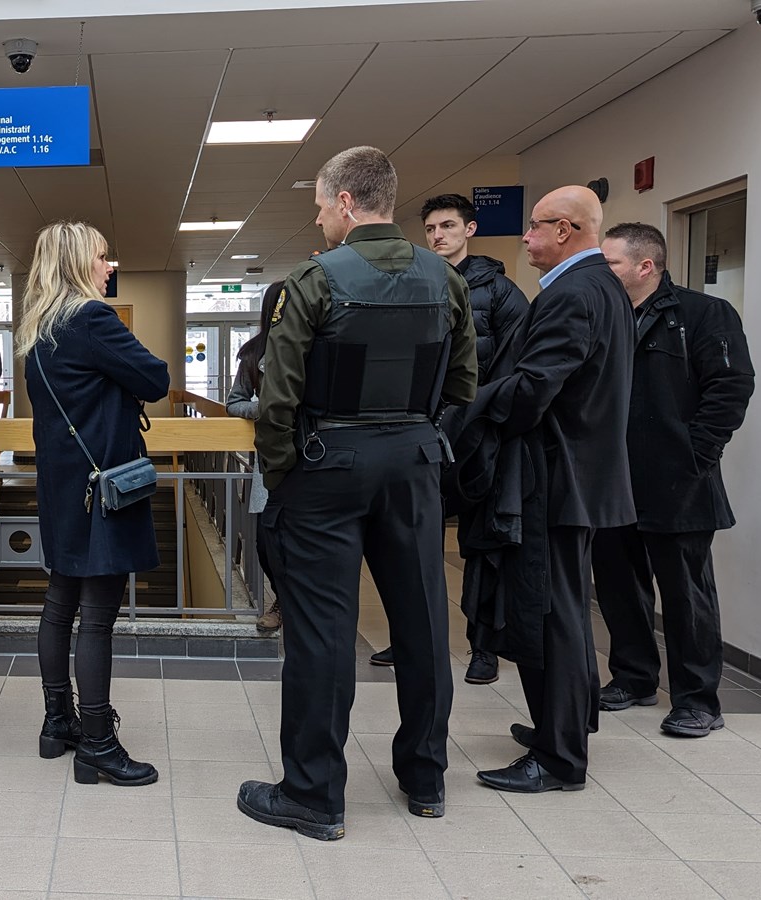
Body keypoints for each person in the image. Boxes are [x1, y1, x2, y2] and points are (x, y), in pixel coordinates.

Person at [239, 146, 477, 840]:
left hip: (328, 465)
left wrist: (285, 477)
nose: (317, 220)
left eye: (318, 206)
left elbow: (277, 401)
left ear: (346, 202)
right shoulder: (445, 279)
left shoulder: (313, 281)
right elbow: (462, 385)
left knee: (321, 634)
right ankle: (426, 778)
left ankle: (315, 795)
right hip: (413, 463)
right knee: (425, 623)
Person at [462, 186, 635, 793]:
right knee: (566, 609)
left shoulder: (573, 293)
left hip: (554, 478)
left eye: (534, 227)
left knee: (551, 613)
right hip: (581, 477)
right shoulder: (601, 288)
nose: (526, 238)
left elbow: (535, 389)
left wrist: (470, 408)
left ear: (565, 230)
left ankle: (559, 758)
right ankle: (565, 726)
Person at [21, 221, 170, 787]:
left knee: (60, 604)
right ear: (79, 263)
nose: (111, 266)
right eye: (103, 257)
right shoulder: (93, 319)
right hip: (103, 488)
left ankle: (57, 722)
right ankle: (98, 743)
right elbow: (156, 378)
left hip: (61, 486)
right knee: (98, 620)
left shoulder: (39, 329)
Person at [592, 222, 754, 737]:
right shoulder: (606, 316)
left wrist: (695, 455)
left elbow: (730, 388)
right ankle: (634, 678)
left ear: (646, 266)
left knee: (686, 594)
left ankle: (697, 700)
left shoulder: (704, 314)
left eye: (611, 262)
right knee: (619, 585)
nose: (602, 271)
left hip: (679, 481)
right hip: (613, 480)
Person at [368, 193, 531, 683]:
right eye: (432, 228)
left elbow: (514, 366)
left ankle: (484, 648)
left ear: (470, 229)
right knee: (412, 544)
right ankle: (411, 639)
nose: (438, 235)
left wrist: (484, 416)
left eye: (448, 226)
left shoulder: (501, 293)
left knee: (482, 545)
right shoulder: (411, 285)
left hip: (480, 435)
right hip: (420, 431)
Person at [225, 282, 284, 633]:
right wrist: (263, 409)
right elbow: (234, 402)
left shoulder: (319, 347)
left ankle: (291, 605)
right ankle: (284, 598)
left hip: (315, 461)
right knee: (266, 543)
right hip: (270, 461)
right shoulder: (253, 354)